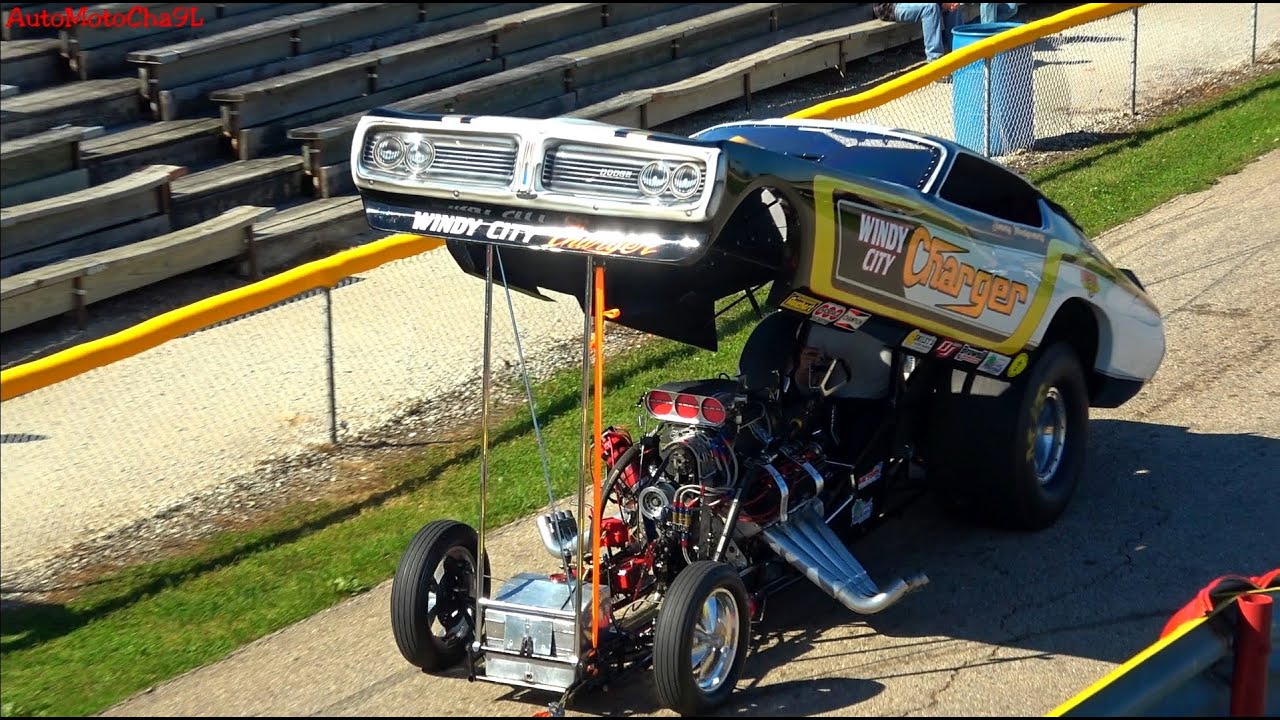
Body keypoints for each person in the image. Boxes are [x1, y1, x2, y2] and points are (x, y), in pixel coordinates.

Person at [788, 322, 894, 465]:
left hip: (872, 408)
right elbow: (804, 387)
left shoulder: (892, 327)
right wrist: (804, 368)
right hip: (825, 405)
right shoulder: (811, 327)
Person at [872, 3, 967, 63]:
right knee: (930, 7)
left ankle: (960, 53)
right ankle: (935, 62)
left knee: (953, 7)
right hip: (890, 7)